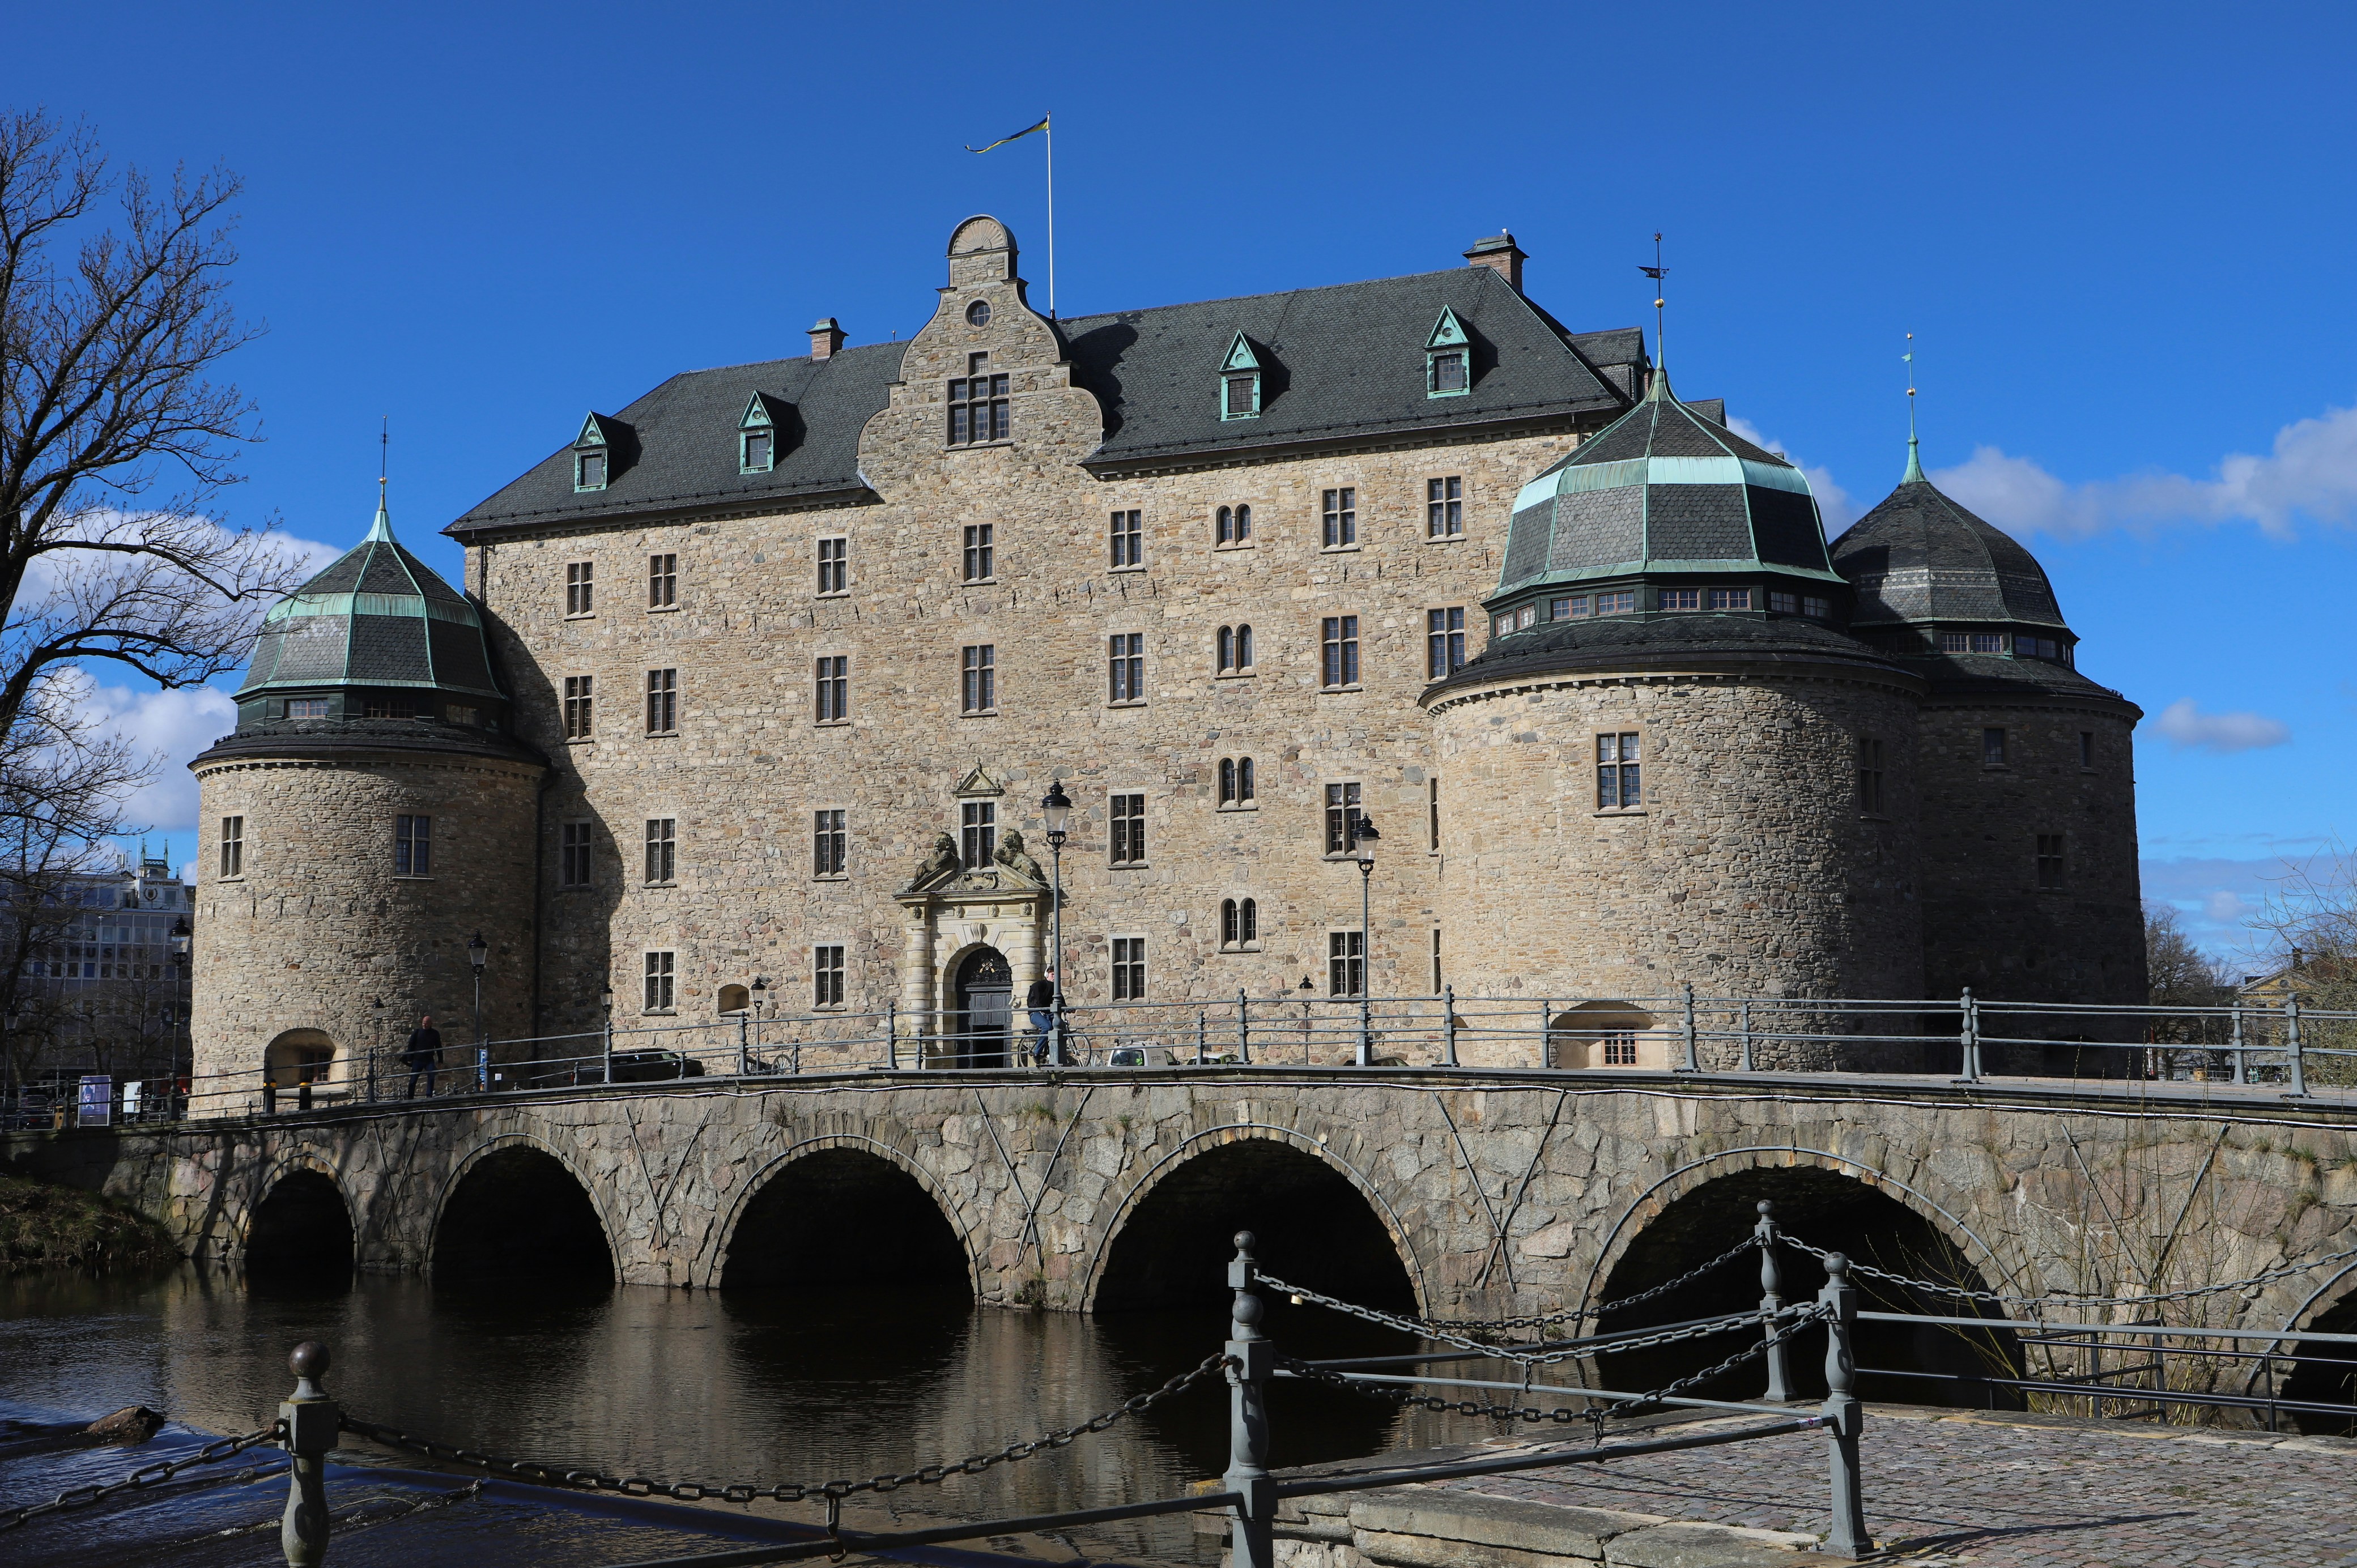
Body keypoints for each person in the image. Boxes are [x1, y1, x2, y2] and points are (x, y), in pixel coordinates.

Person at [403, 1014, 443, 1099]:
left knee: (432, 1077)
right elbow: (411, 1045)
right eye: (424, 1023)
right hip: (418, 1059)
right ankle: (410, 1098)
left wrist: (440, 1061)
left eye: (427, 1023)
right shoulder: (417, 1032)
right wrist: (409, 1058)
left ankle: (429, 1096)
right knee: (413, 1080)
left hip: (429, 1060)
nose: (425, 1025)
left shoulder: (435, 1034)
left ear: (431, 1024)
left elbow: (439, 1047)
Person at [1026, 970, 1058, 1066]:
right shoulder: (1038, 985)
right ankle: (1037, 1052)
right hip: (1035, 1012)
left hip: (1047, 1013)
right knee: (1047, 1027)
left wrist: (1067, 1008)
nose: (1055, 977)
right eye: (1053, 974)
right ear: (1046, 975)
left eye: (1056, 975)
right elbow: (1040, 1001)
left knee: (1060, 1028)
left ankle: (1051, 1053)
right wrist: (1051, 986)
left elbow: (1060, 999)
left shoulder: (1055, 987)